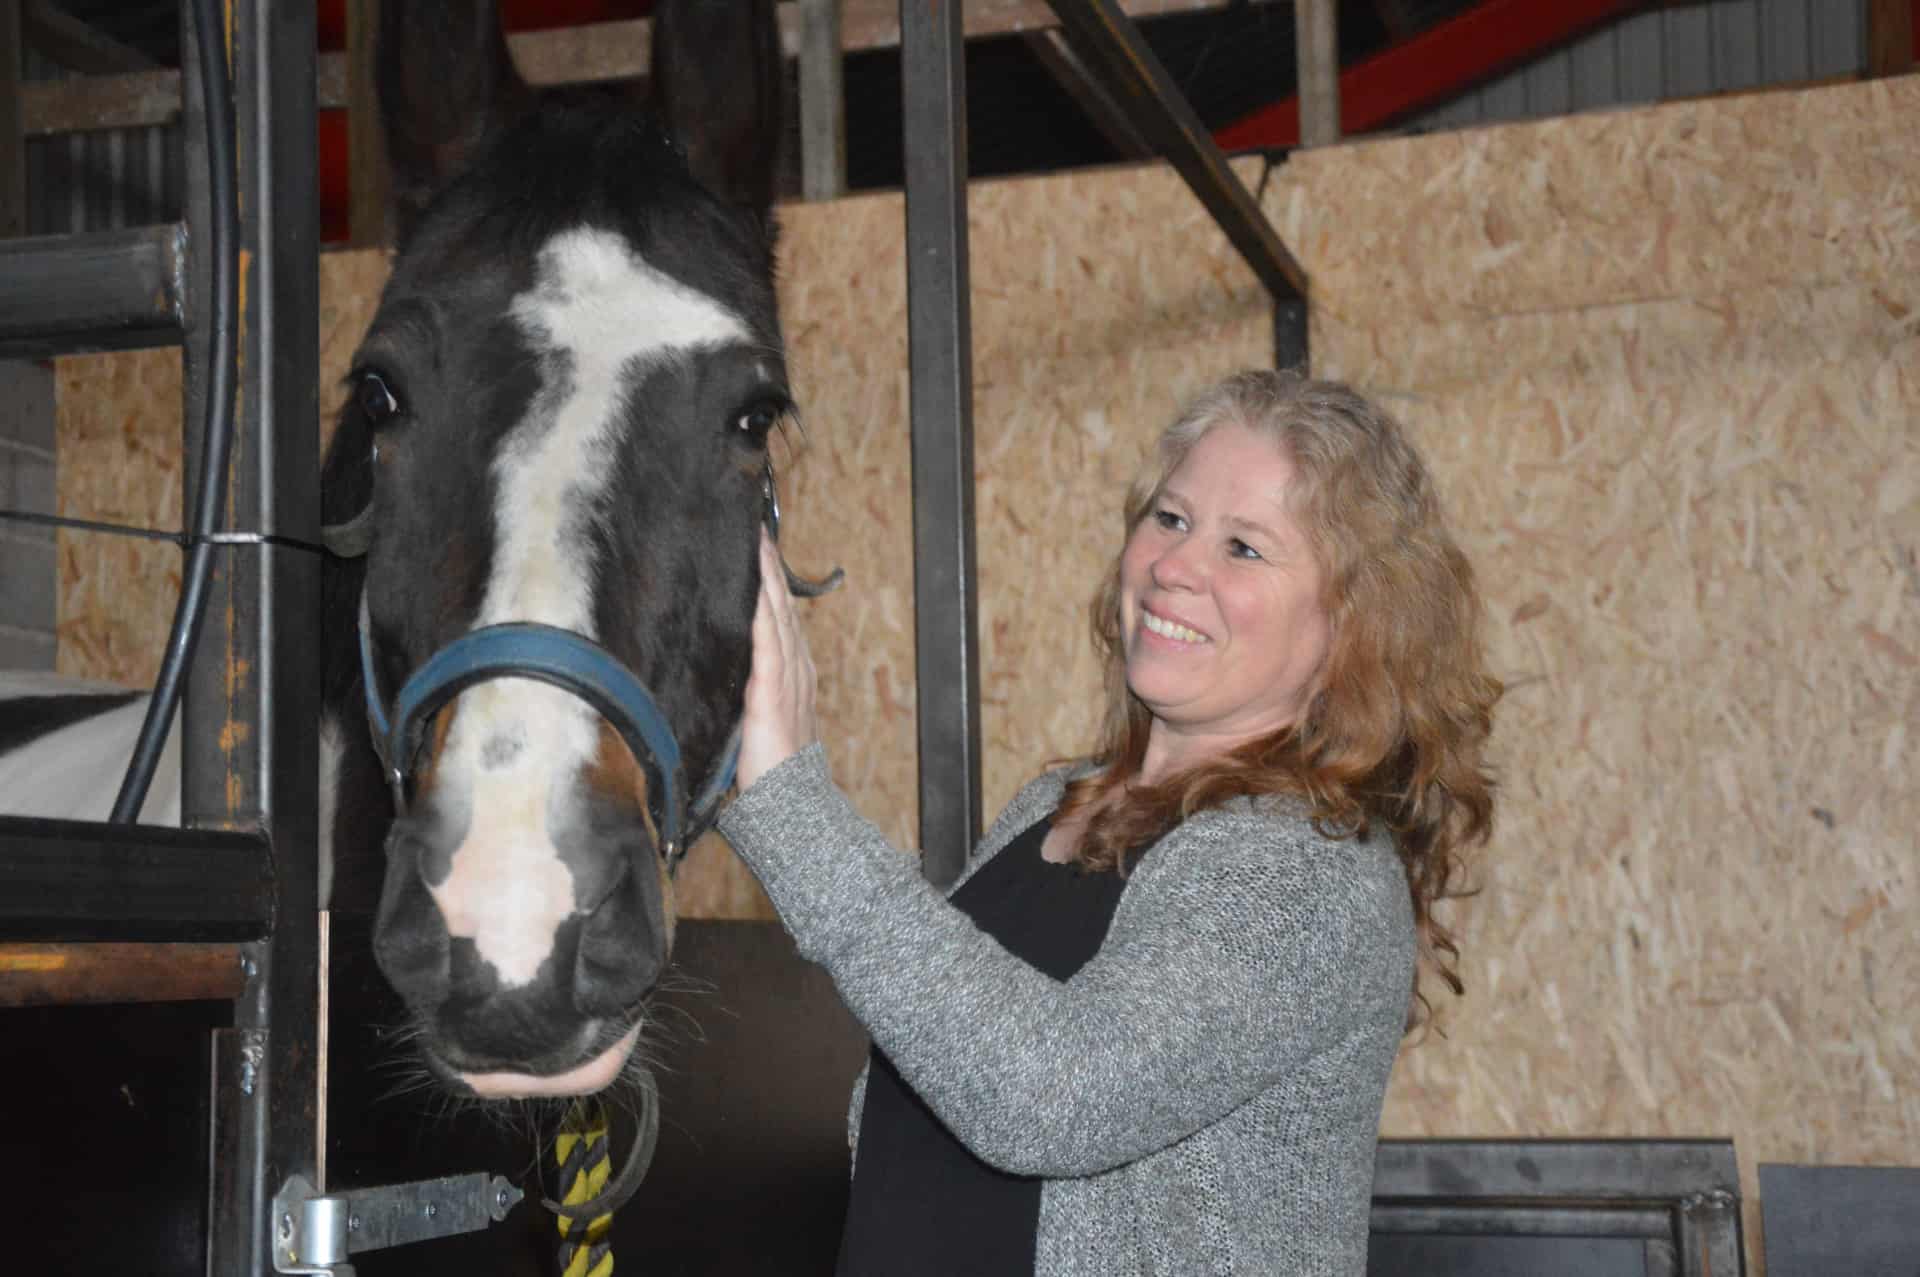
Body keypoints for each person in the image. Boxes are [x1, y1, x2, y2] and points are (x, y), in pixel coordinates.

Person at [719, 369, 1501, 1275]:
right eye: (1170, 519)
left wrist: (793, 803)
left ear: (1349, 626)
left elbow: (1055, 1092)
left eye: (1244, 548)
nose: (1175, 567)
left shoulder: (1313, 871)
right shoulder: (1055, 806)